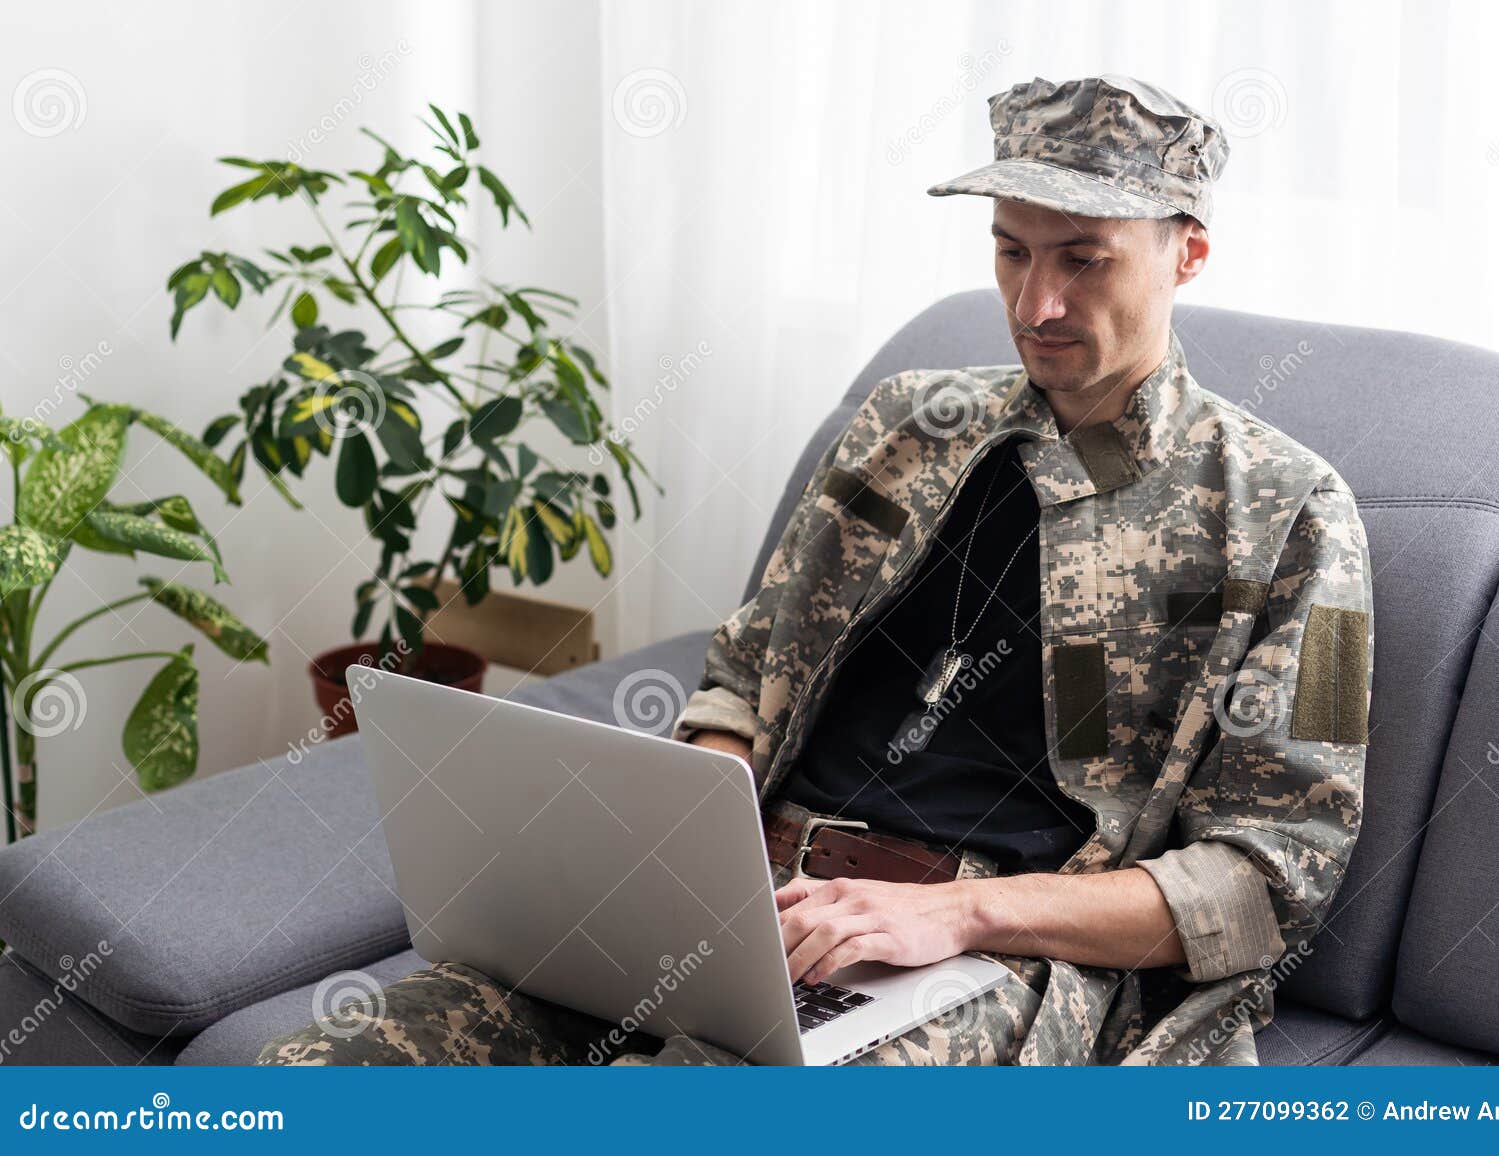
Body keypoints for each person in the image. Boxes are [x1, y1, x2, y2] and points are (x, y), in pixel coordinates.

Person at [260, 74, 1372, 1067]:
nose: (1036, 305)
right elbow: (745, 670)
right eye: (1011, 249)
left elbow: (1270, 878)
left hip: (977, 951)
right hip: (744, 896)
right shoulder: (905, 423)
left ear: (1187, 251)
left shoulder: (1291, 513)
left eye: (1084, 260)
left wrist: (956, 920)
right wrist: (696, 817)